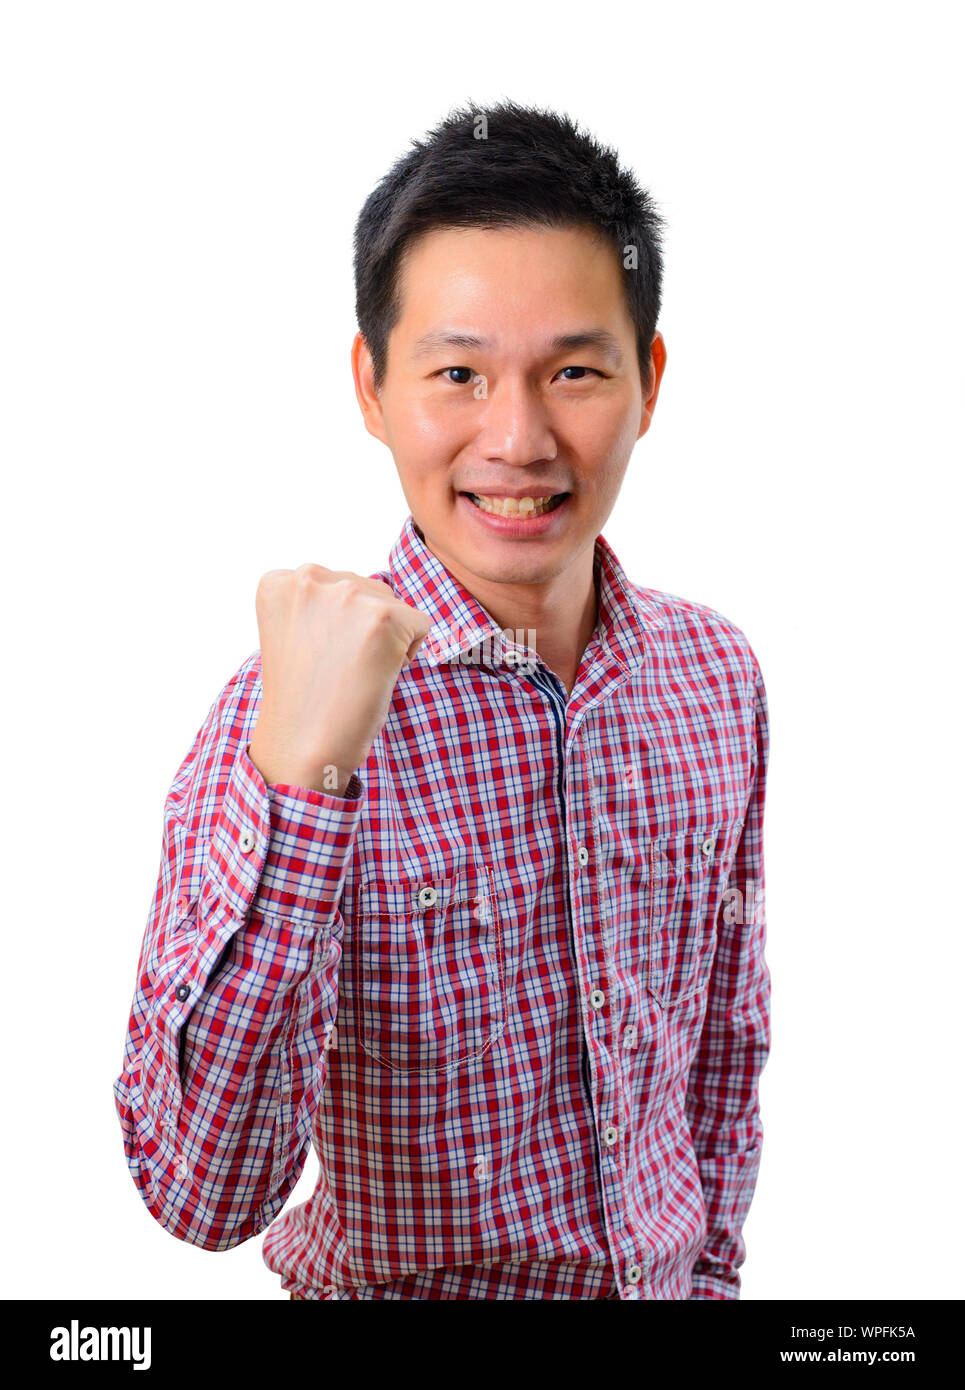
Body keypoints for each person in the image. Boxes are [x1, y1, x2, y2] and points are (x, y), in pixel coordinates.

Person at [113, 100, 771, 1301]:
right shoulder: (283, 715)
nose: (517, 438)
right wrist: (303, 784)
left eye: (573, 370)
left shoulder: (712, 676)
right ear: (371, 386)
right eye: (456, 372)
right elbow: (198, 1194)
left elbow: (722, 1051)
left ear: (648, 378)